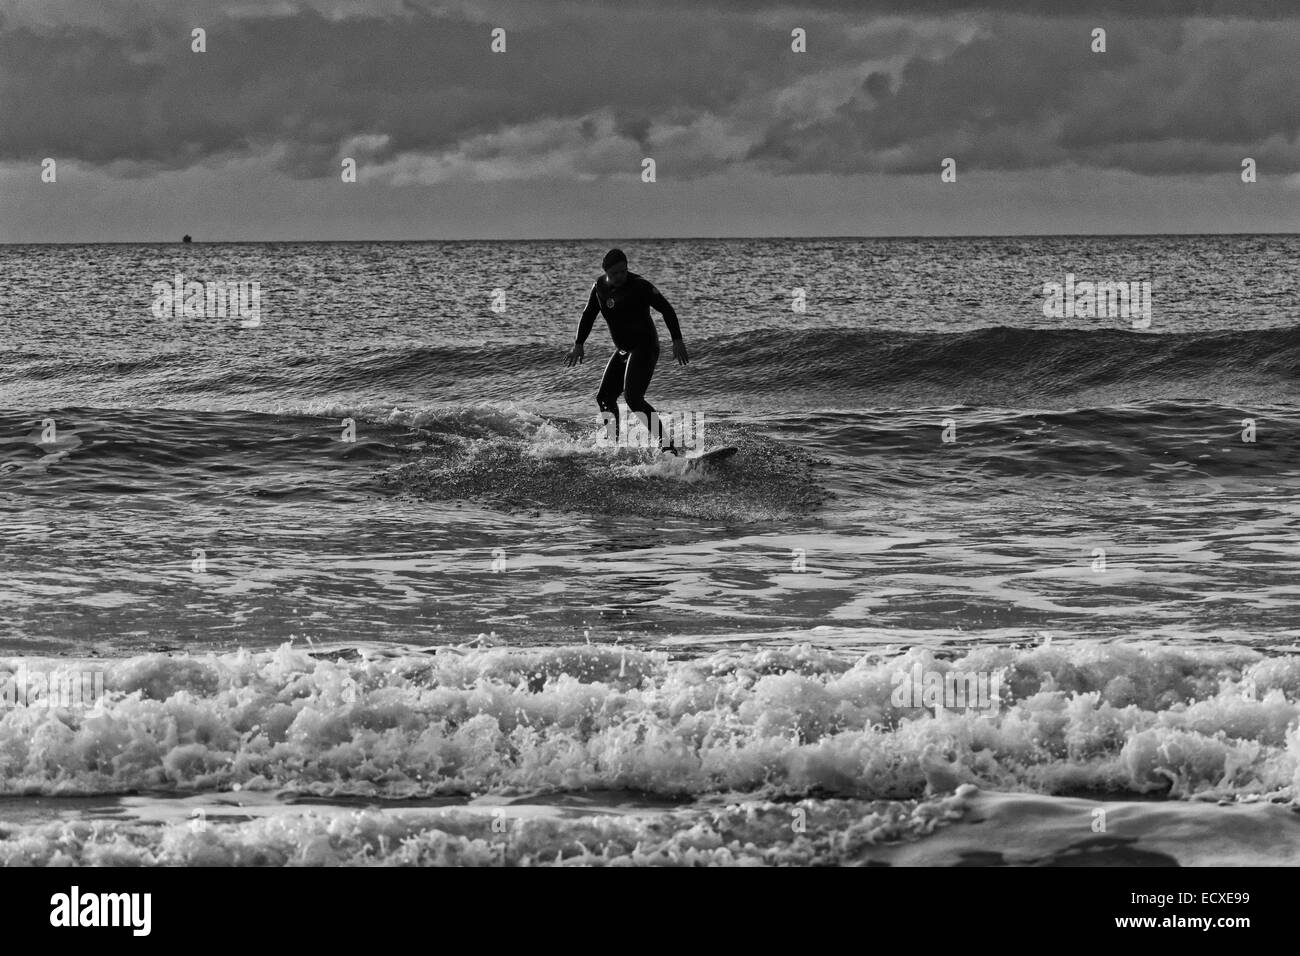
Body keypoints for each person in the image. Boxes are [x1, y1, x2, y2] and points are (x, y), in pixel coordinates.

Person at [565, 248, 689, 452]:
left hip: (645, 347)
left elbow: (666, 309)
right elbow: (588, 315)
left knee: (633, 398)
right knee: (604, 397)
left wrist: (677, 340)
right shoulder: (599, 288)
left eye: (624, 271)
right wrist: (579, 343)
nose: (620, 276)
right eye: (615, 273)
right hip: (624, 350)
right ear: (606, 272)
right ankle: (614, 446)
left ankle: (668, 447)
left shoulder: (639, 286)